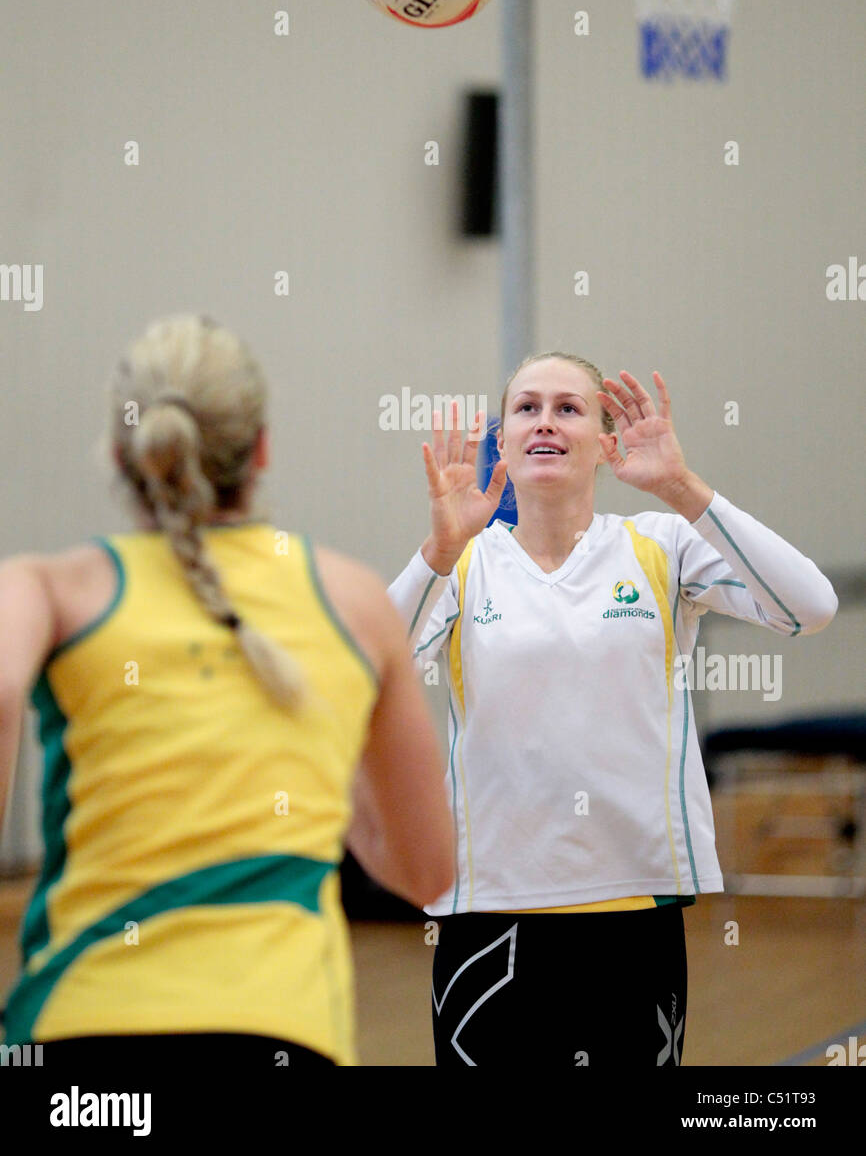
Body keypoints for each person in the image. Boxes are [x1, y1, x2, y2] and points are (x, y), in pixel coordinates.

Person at [0, 314, 454, 1067]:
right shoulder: (351, 600)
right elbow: (426, 871)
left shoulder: (51, 587)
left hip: (81, 1031)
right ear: (263, 449)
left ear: (121, 454)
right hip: (280, 1031)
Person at [386, 351, 838, 1068]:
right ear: (501, 442)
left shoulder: (662, 545)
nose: (546, 422)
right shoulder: (466, 561)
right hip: (492, 915)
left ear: (606, 441)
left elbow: (810, 606)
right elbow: (369, 671)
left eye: (569, 408)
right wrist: (437, 551)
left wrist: (684, 488)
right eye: (527, 408)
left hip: (636, 913)